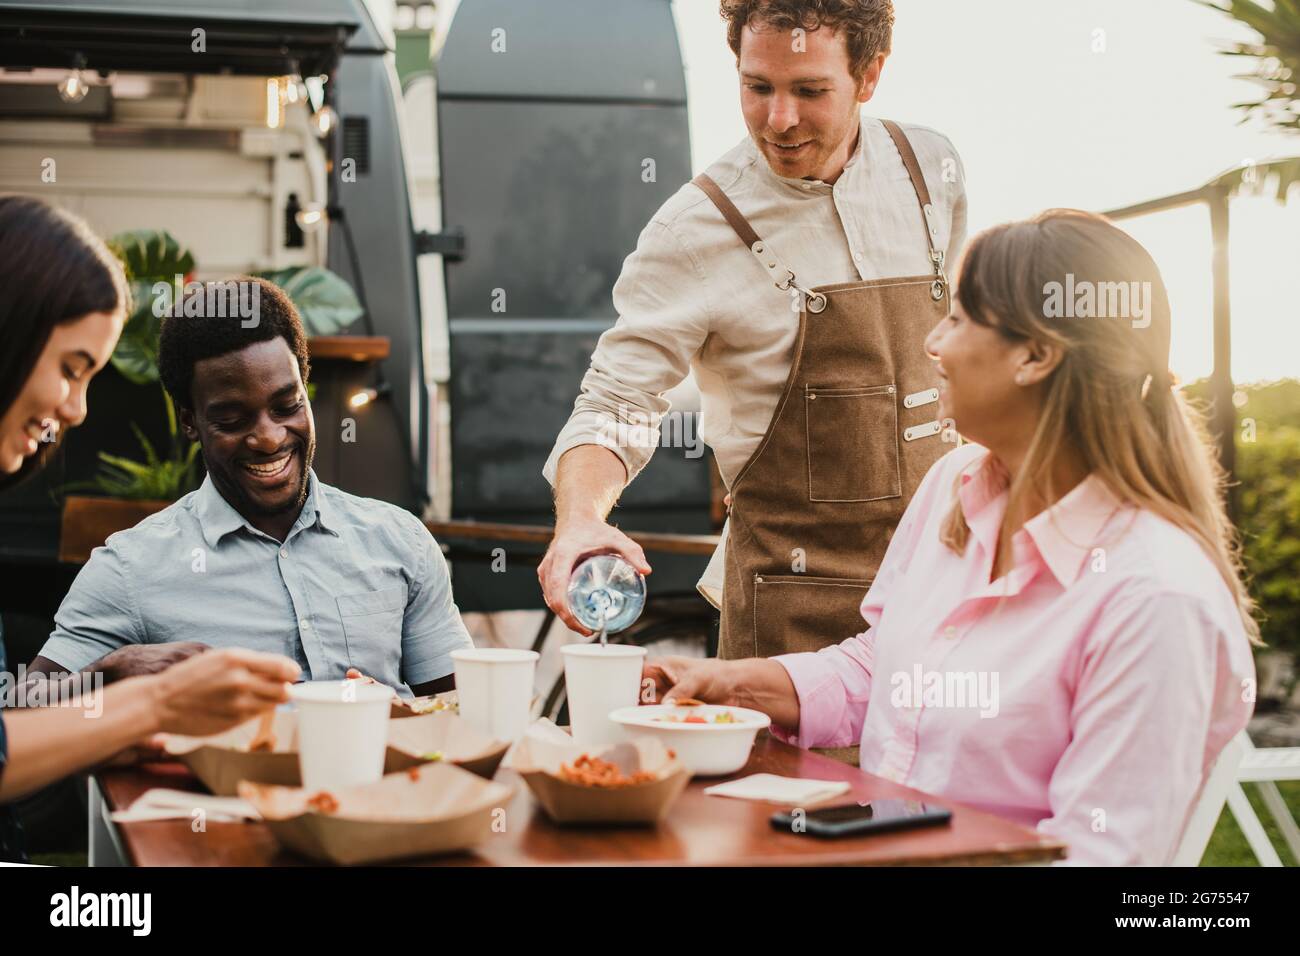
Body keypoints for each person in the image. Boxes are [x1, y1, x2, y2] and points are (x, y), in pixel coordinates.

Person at [643, 210, 1258, 865]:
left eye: (960, 318)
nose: (933, 344)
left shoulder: (1155, 600)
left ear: (1036, 355)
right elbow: (886, 668)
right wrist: (731, 686)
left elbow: (1098, 858)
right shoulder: (953, 483)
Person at [539, 0, 968, 681]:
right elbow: (617, 400)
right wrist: (581, 519)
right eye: (758, 86)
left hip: (945, 592)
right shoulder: (694, 228)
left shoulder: (930, 171)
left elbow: (962, 345)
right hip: (793, 619)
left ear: (871, 74)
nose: (780, 120)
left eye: (810, 90)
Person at [0, 195, 300, 863]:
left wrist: (109, 679)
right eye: (73, 369)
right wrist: (158, 702)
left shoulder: (394, 539)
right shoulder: (131, 562)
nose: (77, 409)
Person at [28, 278, 473, 697]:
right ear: (190, 422)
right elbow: (22, 711)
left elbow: (459, 710)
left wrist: (391, 713)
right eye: (233, 420)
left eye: (287, 406)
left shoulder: (400, 542)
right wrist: (109, 675)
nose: (269, 438)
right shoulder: (130, 569)